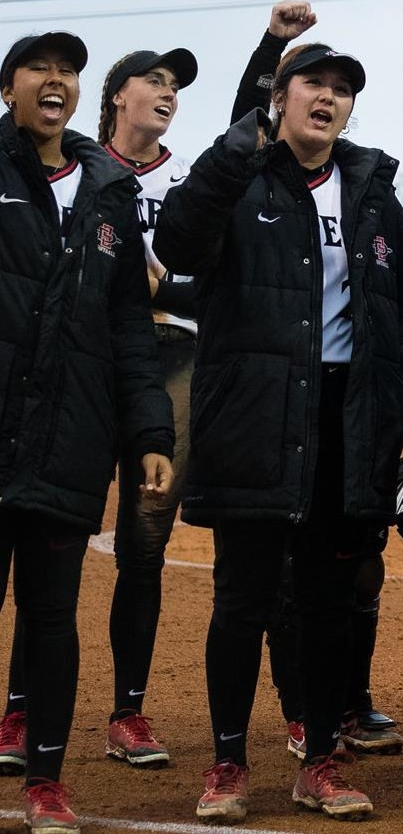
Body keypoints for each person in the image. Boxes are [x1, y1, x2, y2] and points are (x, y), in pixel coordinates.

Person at [155, 29, 403, 824]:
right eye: (312, 82)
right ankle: (227, 763)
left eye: (341, 88)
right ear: (279, 98)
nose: (328, 97)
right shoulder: (239, 175)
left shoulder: (371, 187)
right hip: (254, 408)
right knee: (242, 598)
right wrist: (234, 145)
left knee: (327, 599)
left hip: (347, 416)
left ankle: (319, 759)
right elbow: (176, 239)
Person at [0, 45, 198, 777]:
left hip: (158, 364)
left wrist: (164, 291)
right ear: (116, 95)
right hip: (50, 377)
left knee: (136, 546)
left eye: (176, 86)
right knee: (37, 540)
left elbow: (210, 286)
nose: (168, 92)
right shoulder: (79, 174)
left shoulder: (172, 179)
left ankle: (126, 711)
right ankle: (18, 708)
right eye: (155, 79)